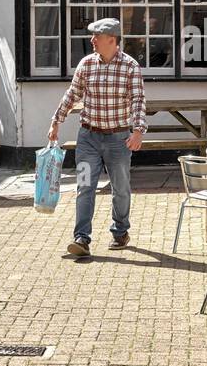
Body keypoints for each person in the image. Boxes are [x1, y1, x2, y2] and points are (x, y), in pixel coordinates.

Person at [48, 18, 146, 257]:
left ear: (111, 40)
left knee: (121, 189)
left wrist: (138, 131)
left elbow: (138, 100)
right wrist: (56, 121)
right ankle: (81, 238)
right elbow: (72, 94)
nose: (91, 41)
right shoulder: (86, 64)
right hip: (88, 138)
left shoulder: (130, 66)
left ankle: (120, 231)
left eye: (96, 37)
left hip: (119, 139)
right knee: (84, 187)